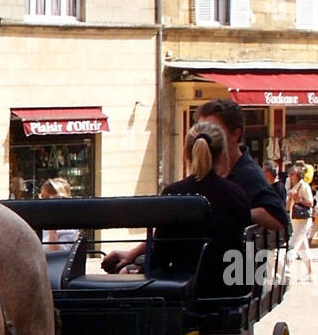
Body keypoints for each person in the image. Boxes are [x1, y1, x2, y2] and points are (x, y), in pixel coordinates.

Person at [102, 122, 253, 293]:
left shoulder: (174, 193)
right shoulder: (237, 193)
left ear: (187, 153)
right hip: (230, 288)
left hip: (188, 289)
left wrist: (137, 267)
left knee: (125, 273)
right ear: (221, 154)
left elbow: (162, 254)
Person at [194, 100, 287, 233]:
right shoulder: (208, 171)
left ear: (236, 134)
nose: (206, 138)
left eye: (214, 131)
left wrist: (234, 214)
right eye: (201, 131)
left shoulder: (247, 173)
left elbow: (278, 216)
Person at [286, 161, 316, 283]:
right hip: (295, 220)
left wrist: (298, 199)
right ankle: (310, 274)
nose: (290, 176)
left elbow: (310, 203)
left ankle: (287, 272)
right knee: (303, 248)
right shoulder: (291, 185)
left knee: (292, 246)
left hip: (303, 220)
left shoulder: (304, 186)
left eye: (292, 174)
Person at [39, 177, 77, 246]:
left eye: (47, 198)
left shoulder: (69, 223)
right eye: (42, 197)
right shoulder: (43, 219)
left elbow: (56, 252)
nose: (42, 201)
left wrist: (52, 226)